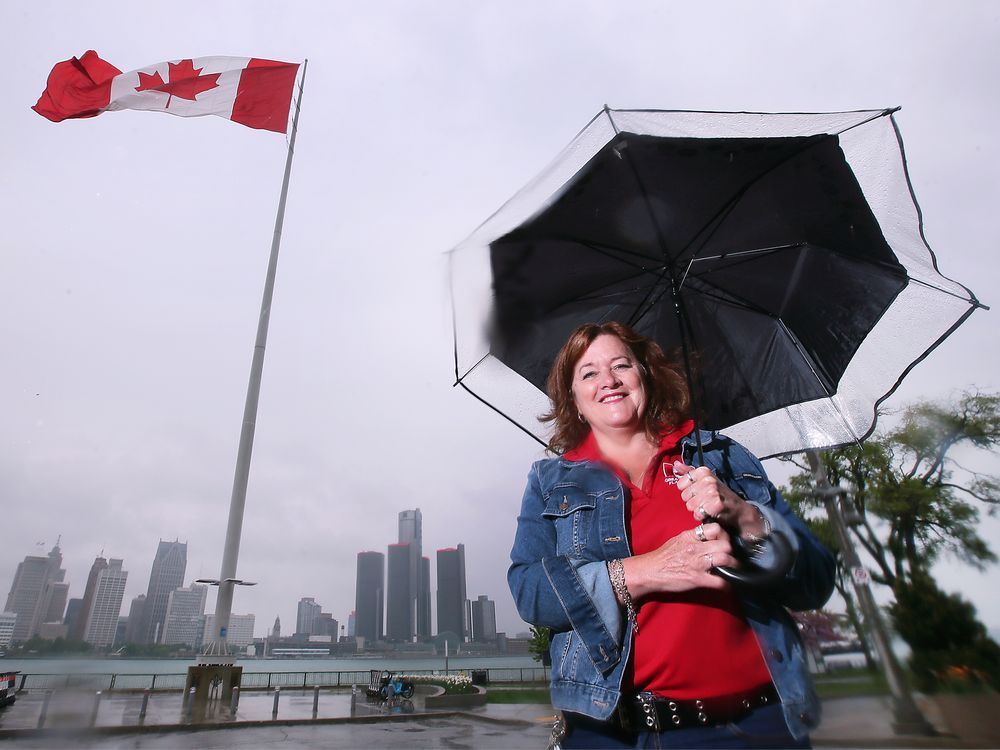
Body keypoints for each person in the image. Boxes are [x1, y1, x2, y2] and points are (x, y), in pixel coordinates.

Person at [508, 321, 835, 749]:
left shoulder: (722, 456)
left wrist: (749, 518)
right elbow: (530, 592)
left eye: (621, 365)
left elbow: (815, 582)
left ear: (645, 374)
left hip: (756, 725)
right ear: (574, 399)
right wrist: (648, 571)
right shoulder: (550, 480)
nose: (608, 380)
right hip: (613, 732)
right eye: (588, 373)